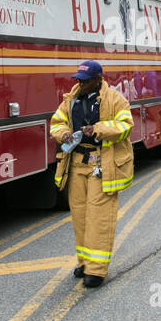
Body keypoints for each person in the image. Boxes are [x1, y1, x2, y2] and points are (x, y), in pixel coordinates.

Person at [49, 60, 135, 289]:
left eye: (85, 81)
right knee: (80, 216)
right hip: (76, 165)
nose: (81, 84)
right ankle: (85, 263)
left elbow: (125, 125)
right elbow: (56, 123)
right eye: (78, 79)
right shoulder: (70, 100)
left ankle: (96, 271)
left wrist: (97, 129)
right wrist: (64, 134)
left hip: (101, 165)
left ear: (98, 80)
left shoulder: (116, 100)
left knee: (99, 218)